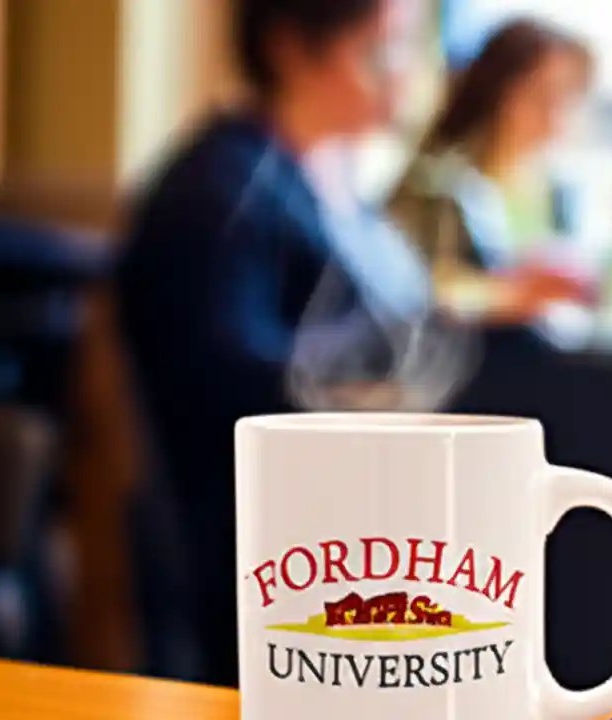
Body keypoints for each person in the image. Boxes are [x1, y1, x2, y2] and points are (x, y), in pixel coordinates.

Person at [117, 0, 419, 685]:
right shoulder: (224, 190)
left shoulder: (331, 178)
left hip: (340, 509)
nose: (398, 77)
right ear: (290, 46)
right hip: (262, 544)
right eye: (375, 52)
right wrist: (378, 384)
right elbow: (227, 378)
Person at [389, 18, 594, 319]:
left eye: (568, 98)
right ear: (497, 93)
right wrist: (517, 292)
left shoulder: (553, 192)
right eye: (541, 95)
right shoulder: (437, 187)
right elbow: (418, 291)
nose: (555, 114)